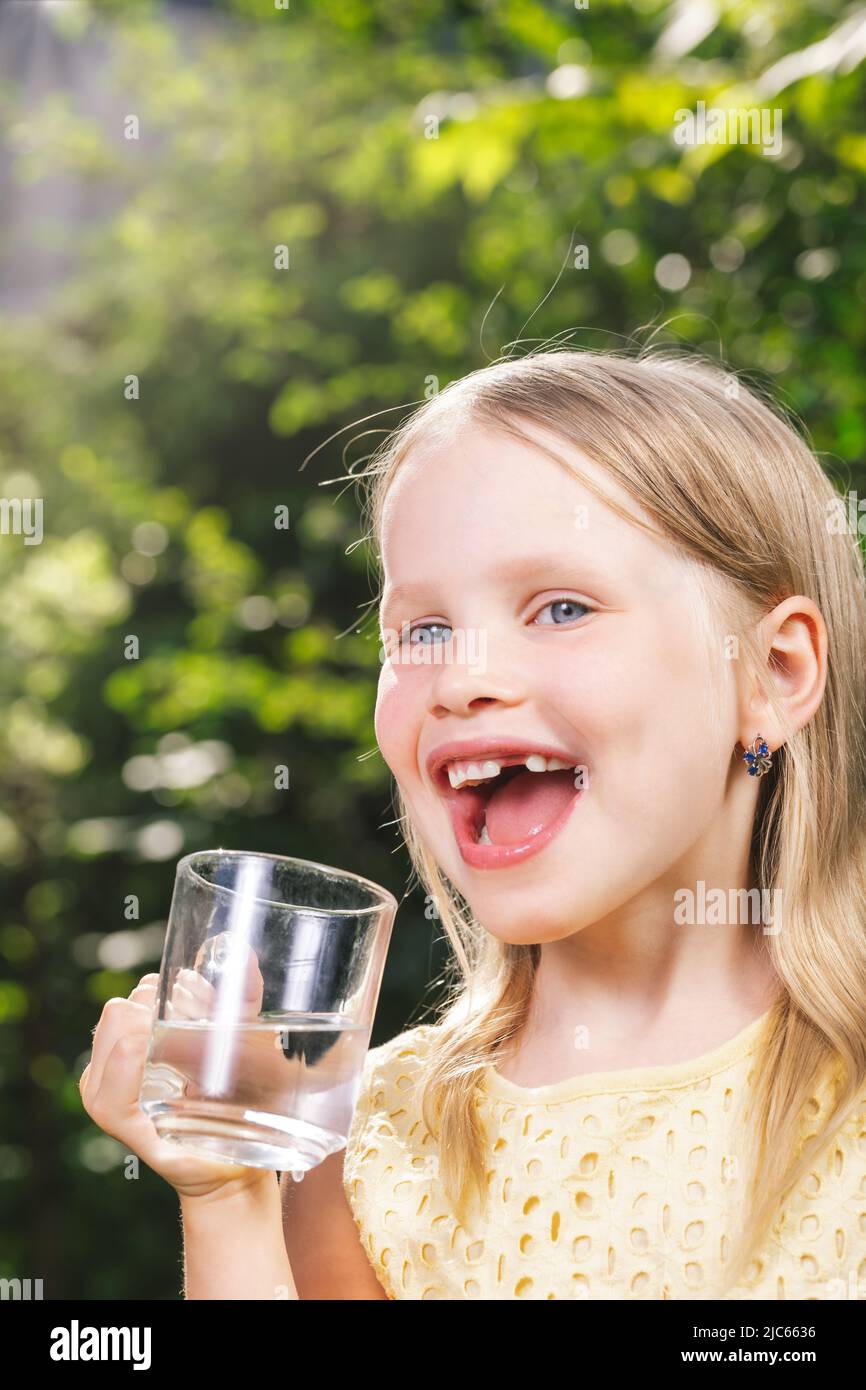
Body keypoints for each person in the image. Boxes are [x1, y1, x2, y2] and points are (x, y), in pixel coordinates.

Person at [80, 348, 866, 1300]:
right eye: (422, 631)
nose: (461, 680)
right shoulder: (363, 1145)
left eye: (561, 608)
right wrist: (229, 1199)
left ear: (774, 673)